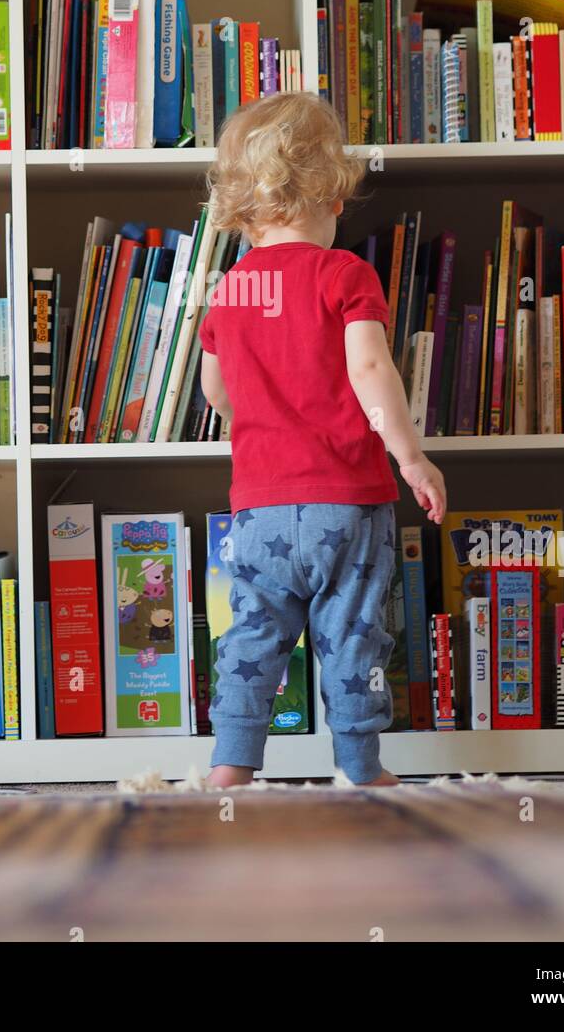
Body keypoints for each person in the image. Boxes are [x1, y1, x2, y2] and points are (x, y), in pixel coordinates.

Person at [199, 91, 447, 789]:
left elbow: (215, 394)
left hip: (258, 509)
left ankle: (231, 767)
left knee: (252, 639)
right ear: (331, 198)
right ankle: (362, 768)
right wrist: (411, 458)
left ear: (243, 213)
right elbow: (370, 368)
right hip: (348, 504)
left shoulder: (231, 290)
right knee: (354, 635)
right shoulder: (344, 274)